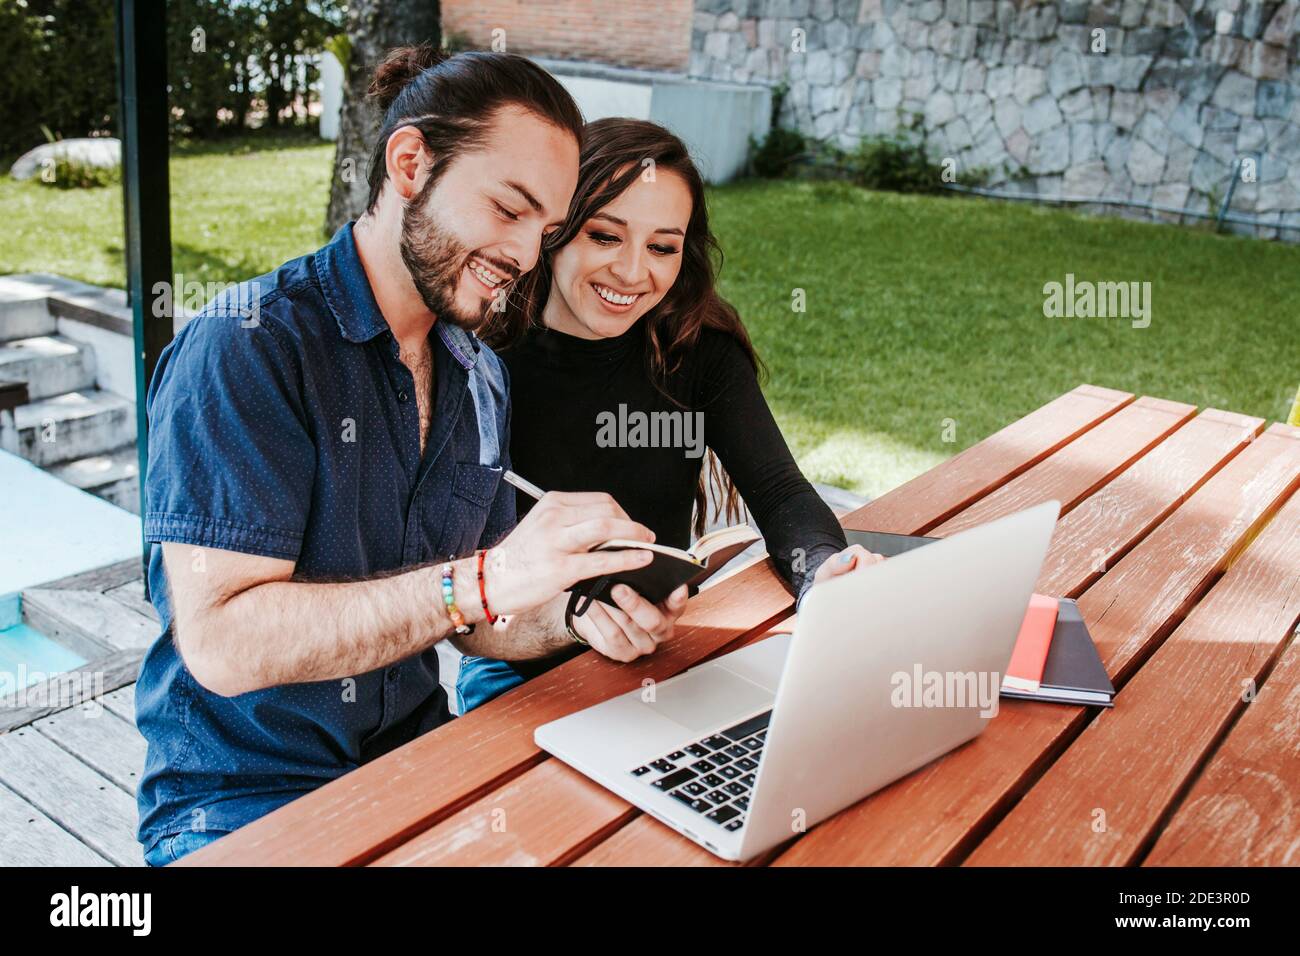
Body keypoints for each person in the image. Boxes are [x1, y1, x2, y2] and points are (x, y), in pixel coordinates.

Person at [134, 47, 680, 866]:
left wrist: (572, 612)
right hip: (240, 805)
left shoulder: (478, 371)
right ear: (410, 163)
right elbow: (223, 643)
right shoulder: (246, 345)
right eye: (508, 208)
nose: (526, 257)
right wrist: (487, 580)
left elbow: (473, 626)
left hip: (418, 764)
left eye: (547, 230)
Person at [451, 118, 880, 713]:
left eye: (662, 246)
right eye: (604, 236)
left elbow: (779, 493)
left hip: (667, 654)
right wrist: (571, 620)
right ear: (555, 232)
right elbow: (456, 598)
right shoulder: (480, 360)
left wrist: (822, 573)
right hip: (516, 672)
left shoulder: (696, 347)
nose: (632, 273)